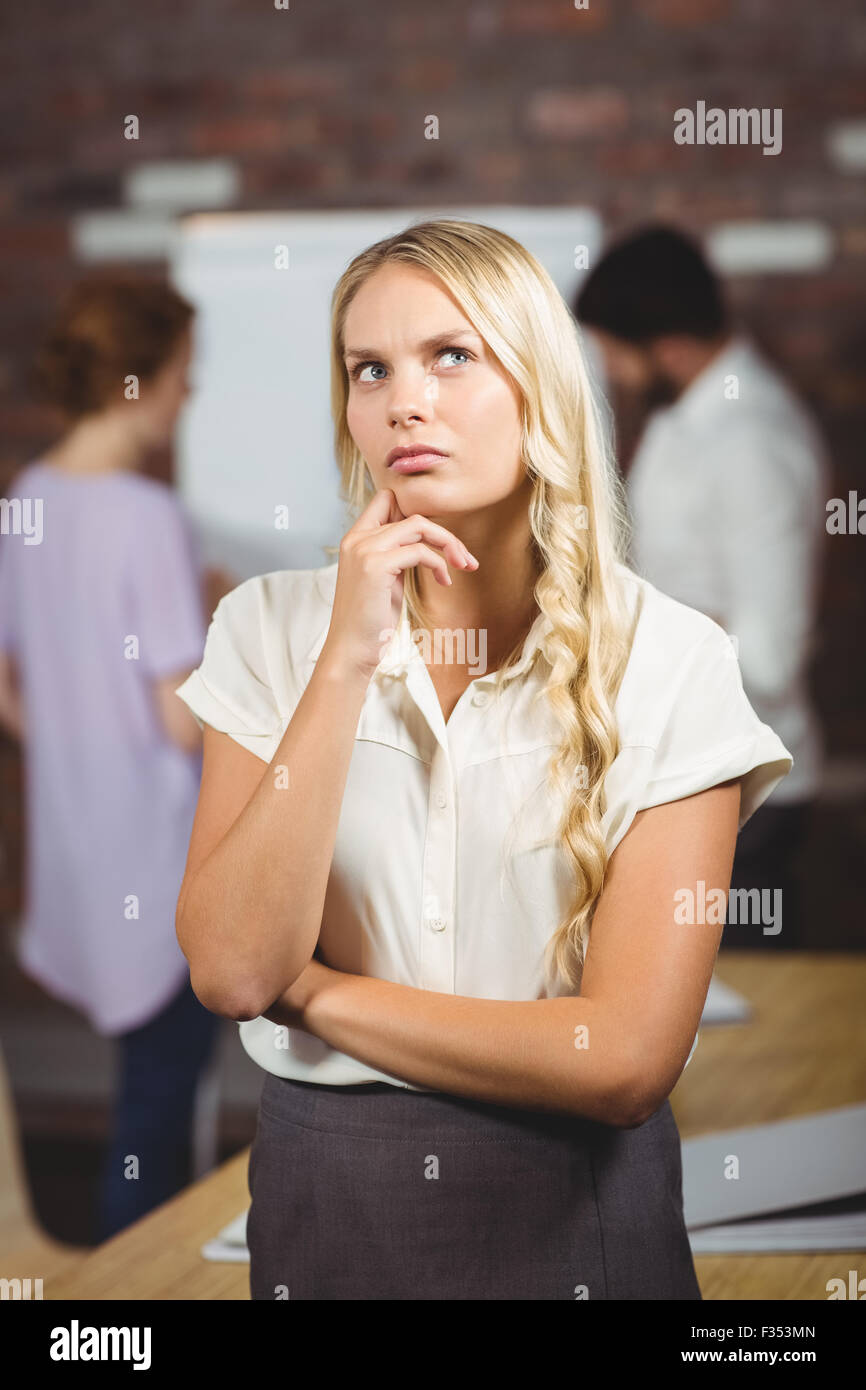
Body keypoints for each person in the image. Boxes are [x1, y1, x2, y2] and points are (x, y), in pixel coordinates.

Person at [175, 218, 792, 1301]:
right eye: (370, 369)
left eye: (449, 355)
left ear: (538, 386)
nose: (402, 399)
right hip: (327, 1199)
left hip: (577, 1208)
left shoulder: (673, 661)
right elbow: (230, 967)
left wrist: (311, 991)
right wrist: (344, 662)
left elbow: (621, 1060)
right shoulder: (266, 631)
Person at [0, 275, 227, 1241]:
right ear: (139, 381)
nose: (192, 393)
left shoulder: (28, 497)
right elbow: (184, 722)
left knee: (144, 1090)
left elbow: (12, 684)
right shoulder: (148, 519)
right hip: (161, 852)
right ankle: (127, 1294)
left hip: (83, 845)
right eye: (183, 372)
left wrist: (75, 739)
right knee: (157, 1103)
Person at [575, 225, 829, 950]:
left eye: (612, 350)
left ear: (669, 348)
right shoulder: (688, 420)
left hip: (748, 792)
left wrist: (638, 625)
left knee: (741, 1037)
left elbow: (773, 658)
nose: (610, 369)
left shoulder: (748, 442)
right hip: (692, 775)